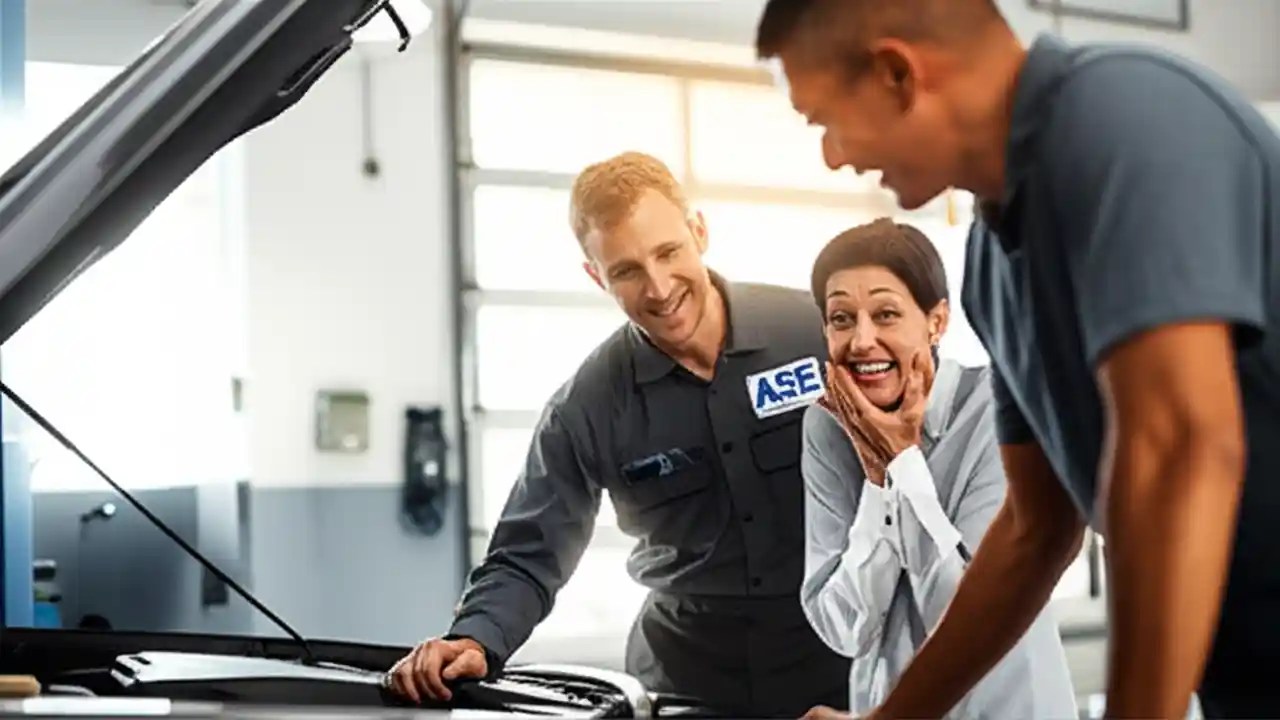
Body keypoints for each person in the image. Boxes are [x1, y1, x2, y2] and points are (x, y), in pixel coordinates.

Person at [755, 0, 1280, 718]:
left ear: (896, 74)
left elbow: (1181, 448)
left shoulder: (1124, 122)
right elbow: (1036, 530)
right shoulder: (992, 263)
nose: (834, 155)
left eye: (825, 121)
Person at [386, 150, 850, 717]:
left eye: (668, 252)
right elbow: (528, 553)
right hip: (686, 682)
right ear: (595, 276)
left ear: (699, 231)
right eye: (627, 270)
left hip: (835, 659)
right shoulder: (588, 405)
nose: (657, 287)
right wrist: (475, 637)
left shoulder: (817, 332)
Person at [797, 218, 1076, 720]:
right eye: (841, 318)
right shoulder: (825, 427)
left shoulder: (1000, 409)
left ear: (937, 321)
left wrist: (902, 462)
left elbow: (968, 614)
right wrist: (876, 481)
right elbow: (842, 628)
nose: (861, 341)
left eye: (885, 314)